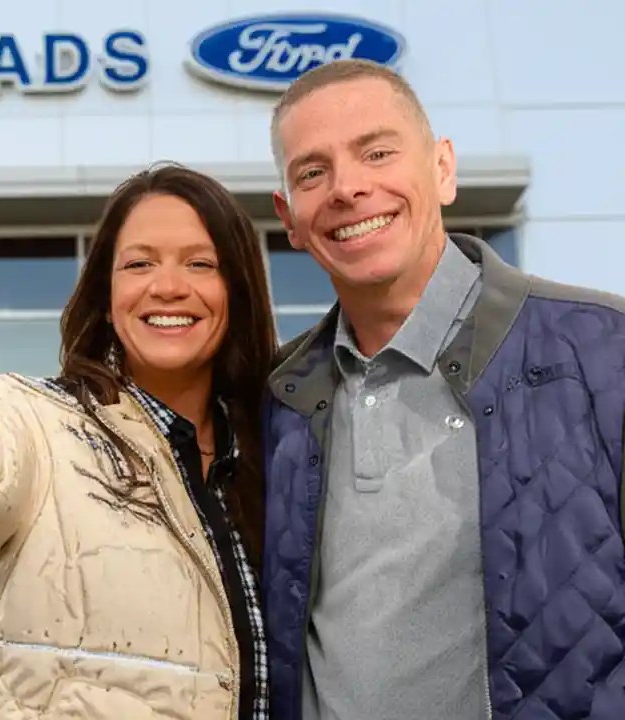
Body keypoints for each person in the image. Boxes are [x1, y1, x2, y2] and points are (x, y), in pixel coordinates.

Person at [260, 57, 625, 720]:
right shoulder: (279, 404)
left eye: (376, 152)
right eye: (313, 172)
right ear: (289, 216)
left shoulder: (604, 351)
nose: (347, 188)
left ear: (443, 169)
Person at [0, 163, 277, 718]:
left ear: (237, 289)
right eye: (139, 263)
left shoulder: (276, 450)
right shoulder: (39, 424)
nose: (167, 286)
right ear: (106, 294)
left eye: (200, 263)